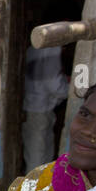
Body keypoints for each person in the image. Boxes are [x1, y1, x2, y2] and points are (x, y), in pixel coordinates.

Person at [21, 41, 71, 173]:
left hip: (32, 106)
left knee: (35, 156)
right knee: (39, 159)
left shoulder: (33, 48)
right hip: (40, 109)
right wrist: (71, 89)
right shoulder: (52, 48)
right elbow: (53, 84)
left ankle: (35, 190)